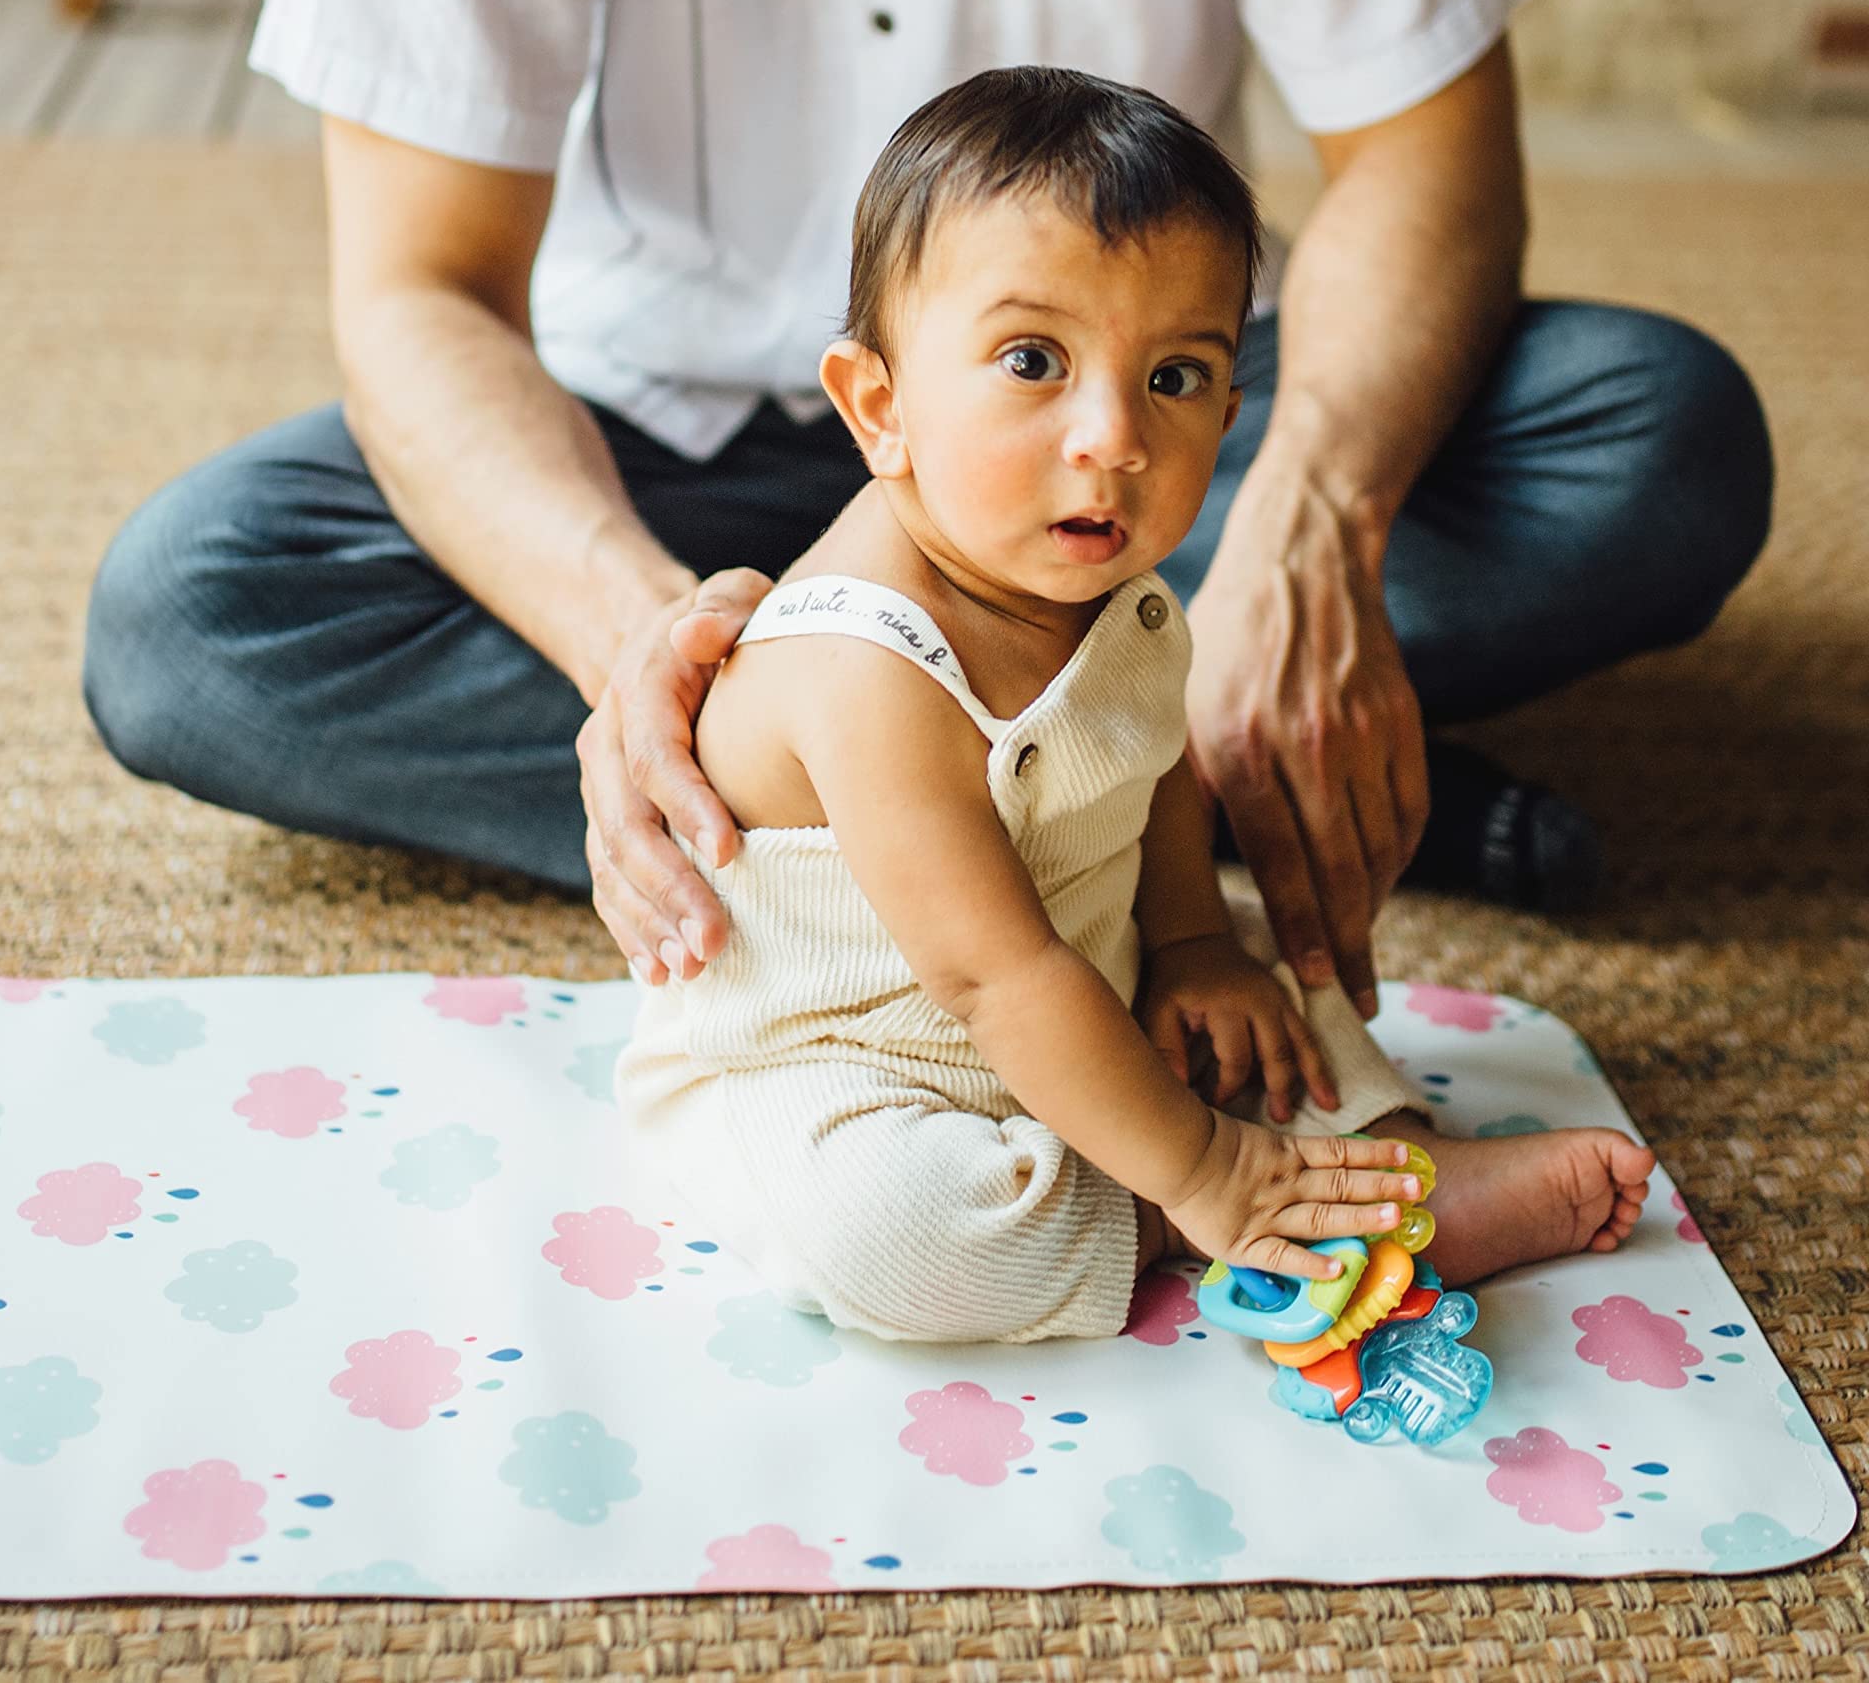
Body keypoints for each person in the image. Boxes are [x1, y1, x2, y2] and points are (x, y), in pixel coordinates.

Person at [80, 0, 1772, 1028]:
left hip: (1127, 439)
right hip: (655, 462)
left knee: (1654, 434)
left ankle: (1165, 735)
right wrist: (659, 657)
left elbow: (1426, 155)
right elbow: (420, 291)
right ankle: (1151, 792)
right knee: (199, 618)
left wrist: (1312, 524)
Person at [608, 67, 1653, 1341]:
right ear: (879, 406)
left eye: (1175, 377)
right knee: (889, 1232)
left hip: (1082, 989)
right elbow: (989, 975)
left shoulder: (1111, 584)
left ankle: (1389, 1156)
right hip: (850, 1066)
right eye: (1032, 361)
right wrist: (1208, 1172)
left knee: (1279, 1001)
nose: (1112, 436)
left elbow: (1149, 754)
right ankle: (1204, 1211)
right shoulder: (861, 665)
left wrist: (1193, 945)